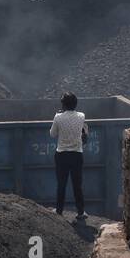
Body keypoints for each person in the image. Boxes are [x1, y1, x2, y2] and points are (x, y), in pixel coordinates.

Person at [50, 92, 88, 220]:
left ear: (63, 104)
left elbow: (52, 134)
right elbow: (84, 131)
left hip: (62, 155)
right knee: (77, 184)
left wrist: (58, 115)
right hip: (77, 154)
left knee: (62, 184)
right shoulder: (81, 116)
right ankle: (81, 212)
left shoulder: (58, 117)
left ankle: (59, 210)